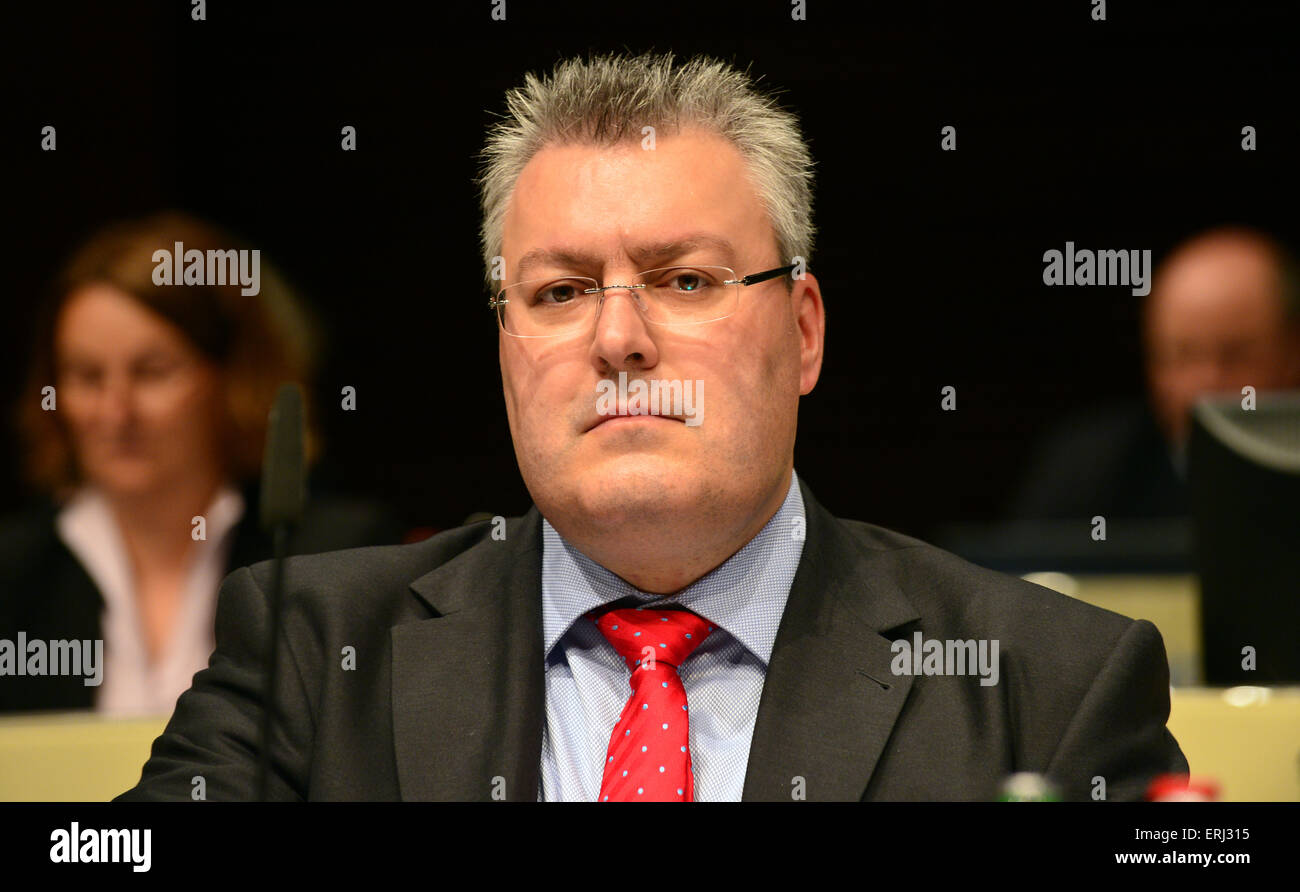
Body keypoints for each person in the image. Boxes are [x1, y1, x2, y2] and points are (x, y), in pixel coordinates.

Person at [117, 52, 1186, 801]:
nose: (618, 339)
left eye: (683, 279)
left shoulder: (1046, 686)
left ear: (803, 333)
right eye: (559, 292)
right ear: (503, 346)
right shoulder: (315, 647)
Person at [0, 212, 403, 716]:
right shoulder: (13, 574)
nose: (115, 413)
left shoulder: (336, 556)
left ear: (233, 381)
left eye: (152, 372)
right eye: (87, 377)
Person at [1010, 225, 1300, 522]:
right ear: (1152, 361)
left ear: (1293, 352)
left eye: (1236, 354)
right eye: (1182, 355)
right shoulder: (1086, 471)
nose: (1208, 383)